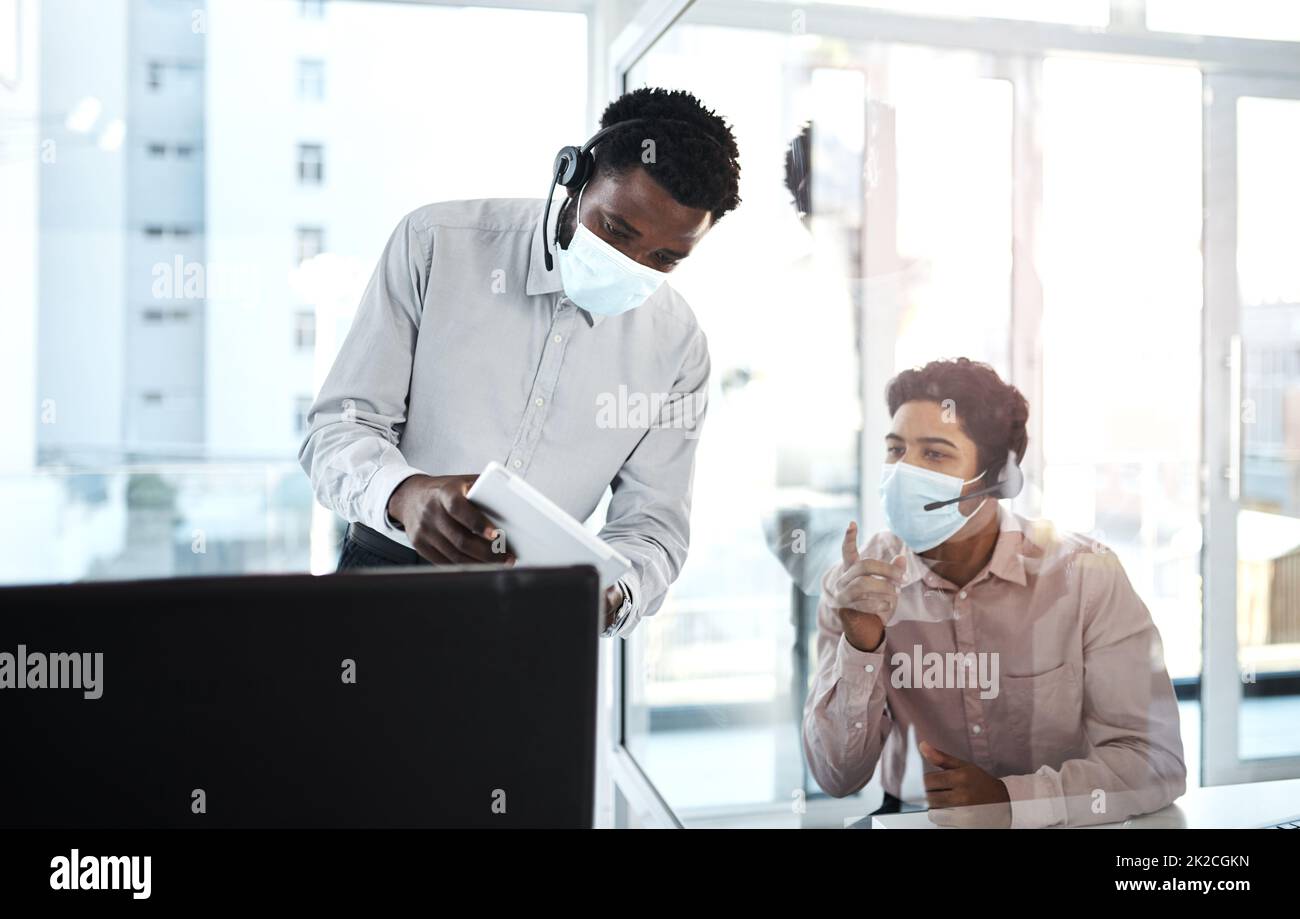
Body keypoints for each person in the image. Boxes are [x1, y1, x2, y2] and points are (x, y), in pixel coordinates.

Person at [298, 87, 741, 636]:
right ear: (572, 179)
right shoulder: (436, 245)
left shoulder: (679, 345)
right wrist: (405, 495)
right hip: (387, 579)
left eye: (664, 259)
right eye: (615, 230)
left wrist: (614, 595)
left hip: (537, 614)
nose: (632, 264)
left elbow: (653, 525)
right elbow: (335, 433)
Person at [803, 358, 1186, 827]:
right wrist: (860, 646)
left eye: (935, 454)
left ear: (995, 478)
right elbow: (835, 775)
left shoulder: (1087, 576)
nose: (904, 472)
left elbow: (1155, 761)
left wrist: (1011, 802)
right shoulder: (856, 586)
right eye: (896, 450)